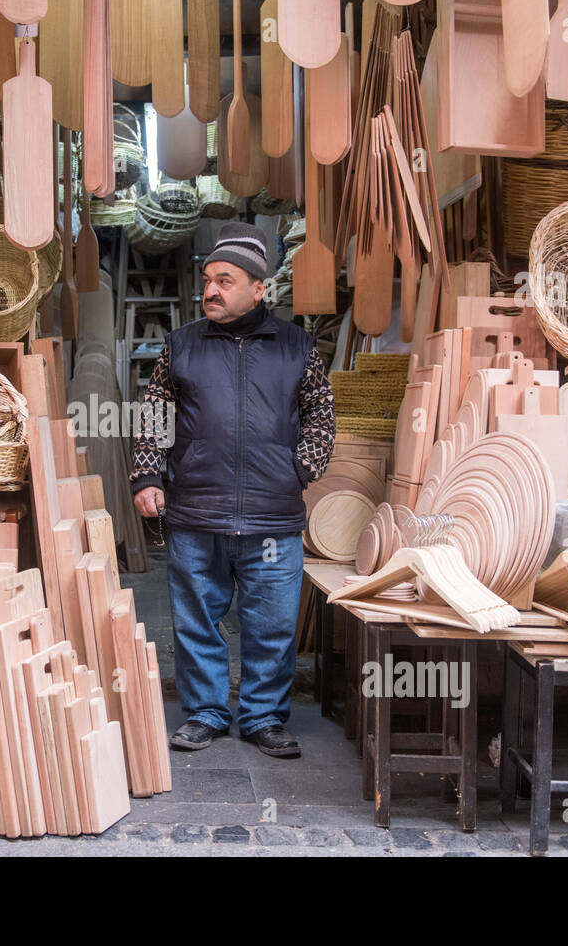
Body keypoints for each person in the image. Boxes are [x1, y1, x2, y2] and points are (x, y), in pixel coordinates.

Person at [130, 222, 335, 758]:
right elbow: (154, 415)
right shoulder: (180, 347)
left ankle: (264, 716)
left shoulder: (297, 348)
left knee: (271, 623)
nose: (210, 291)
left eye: (225, 280)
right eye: (207, 280)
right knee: (197, 619)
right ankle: (204, 712)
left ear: (258, 289)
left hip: (272, 516)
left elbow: (320, 415)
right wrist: (148, 475)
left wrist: (301, 470)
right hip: (196, 508)